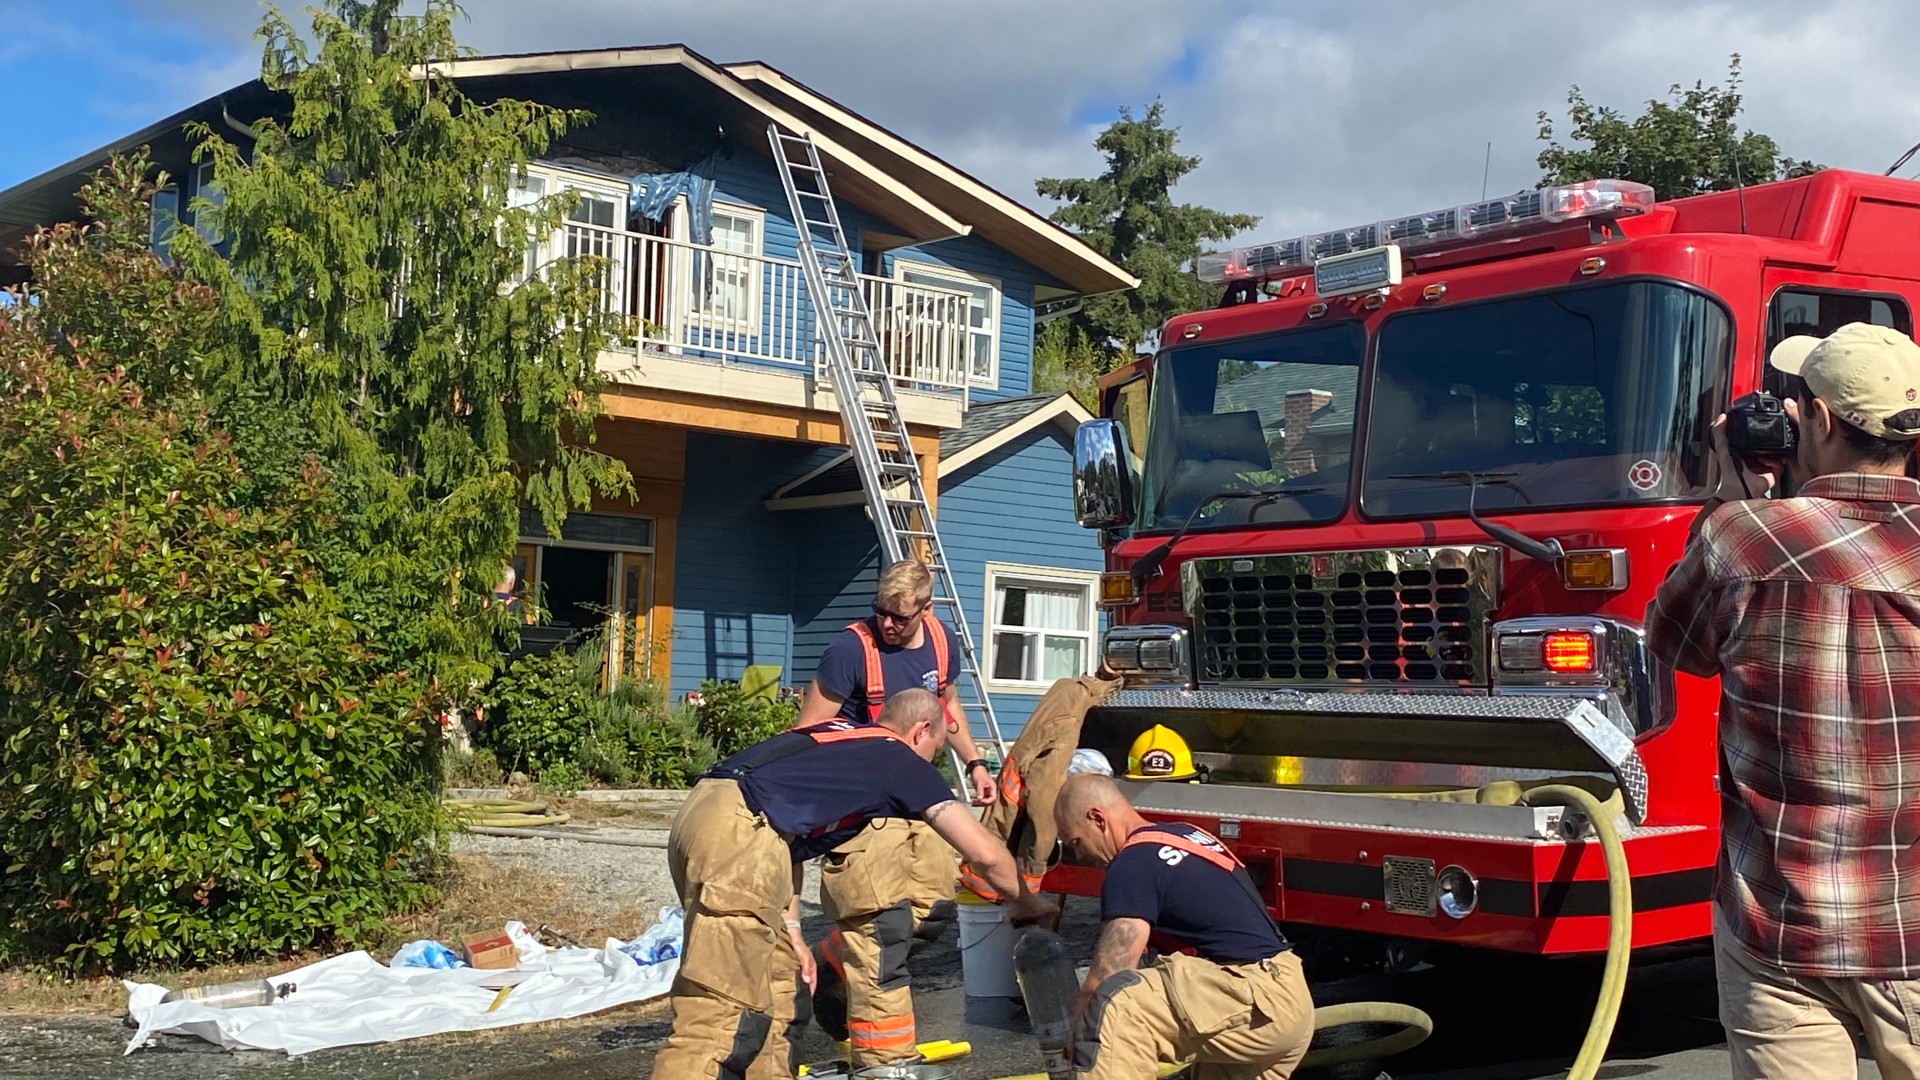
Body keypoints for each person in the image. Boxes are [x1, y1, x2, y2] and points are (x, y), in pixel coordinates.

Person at [1646, 322, 1920, 1079]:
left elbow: (1675, 643)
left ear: (1823, 422)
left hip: (1780, 922)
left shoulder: (1744, 539)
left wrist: (1733, 501)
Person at [649, 689, 1020, 1080]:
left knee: (782, 986)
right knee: (722, 1011)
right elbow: (986, 855)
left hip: (713, 817)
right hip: (740, 835)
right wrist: (1025, 901)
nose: (932, 760)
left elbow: (785, 839)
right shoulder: (898, 758)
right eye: (936, 748)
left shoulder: (836, 739)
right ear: (920, 731)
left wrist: (792, 930)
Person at [795, 558, 995, 1065]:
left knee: (934, 912)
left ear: (925, 611)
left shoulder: (941, 640)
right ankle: (882, 1059)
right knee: (883, 928)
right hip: (867, 806)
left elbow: (947, 709)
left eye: (899, 617)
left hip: (921, 792)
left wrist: (974, 763)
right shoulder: (850, 650)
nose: (887, 624)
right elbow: (806, 731)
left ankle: (831, 959)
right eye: (881, 611)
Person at [1051, 773, 1314, 1079]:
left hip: (1253, 996)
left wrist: (1079, 1032)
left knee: (1117, 1006)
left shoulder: (1133, 862)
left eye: (1074, 843)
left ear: (1097, 819)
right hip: (1286, 999)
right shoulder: (1186, 835)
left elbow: (1110, 973)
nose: (1079, 856)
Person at [959, 672, 1121, 922]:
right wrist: (1030, 888)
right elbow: (1044, 807)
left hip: (1002, 833)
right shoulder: (1065, 722)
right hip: (1008, 846)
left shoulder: (1063, 692)